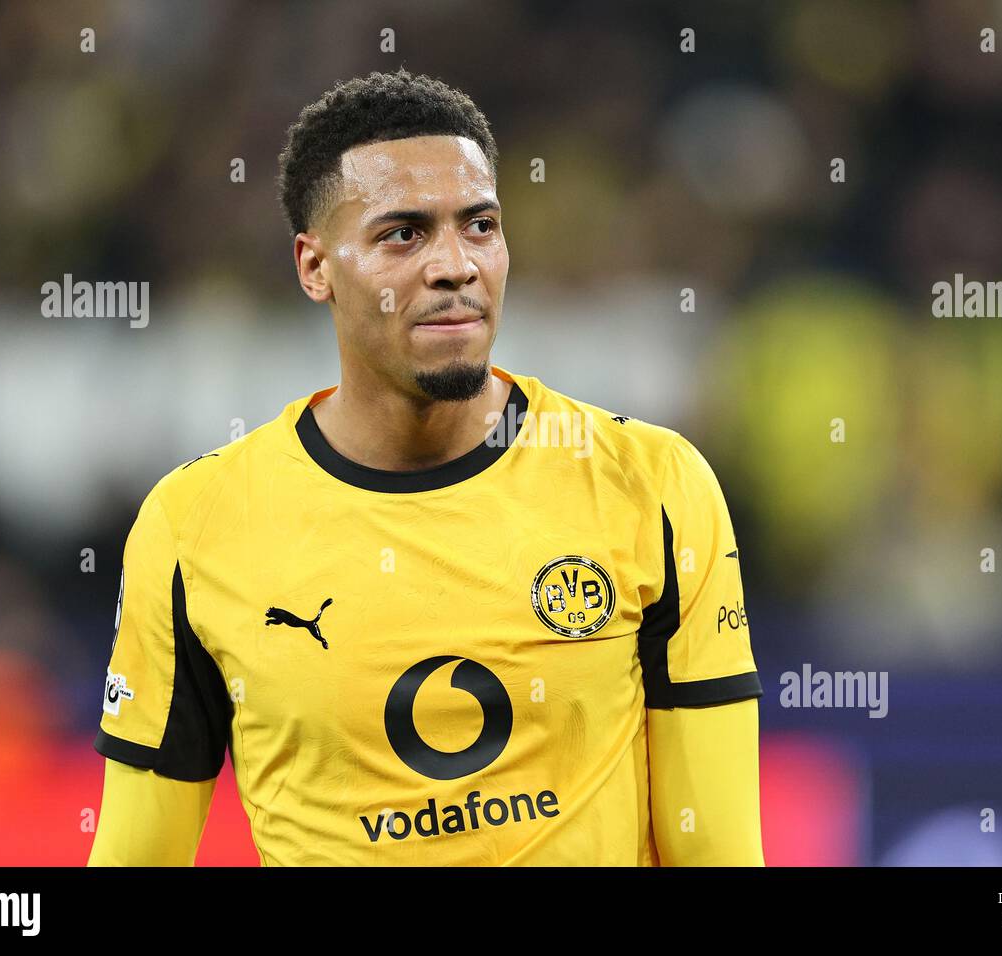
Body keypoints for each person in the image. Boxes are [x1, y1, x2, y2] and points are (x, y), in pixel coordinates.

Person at [87, 69, 765, 866]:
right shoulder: (194, 524)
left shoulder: (650, 484)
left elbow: (716, 849)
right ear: (315, 269)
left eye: (479, 225)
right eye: (403, 234)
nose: (455, 266)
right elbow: (138, 856)